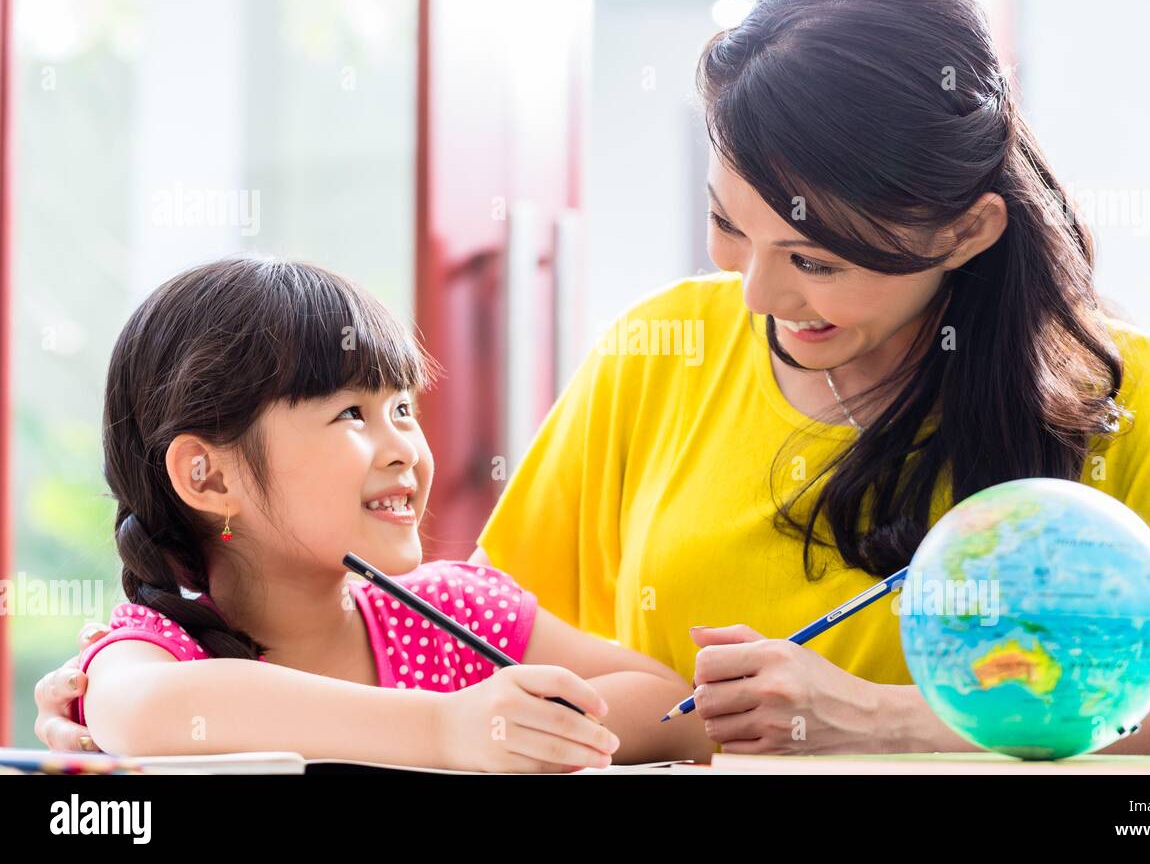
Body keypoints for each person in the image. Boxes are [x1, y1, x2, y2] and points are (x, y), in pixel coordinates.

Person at [37, 0, 1150, 760]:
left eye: (817, 258)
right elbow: (473, 653)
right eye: (729, 225)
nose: (754, 289)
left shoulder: (1106, 394)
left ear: (963, 231)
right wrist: (173, 694)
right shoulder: (659, 353)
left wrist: (904, 720)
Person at [31, 255, 712, 770]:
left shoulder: (452, 614)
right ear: (207, 477)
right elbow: (149, 711)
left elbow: (673, 706)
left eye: (404, 410)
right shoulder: (156, 649)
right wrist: (449, 730)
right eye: (351, 413)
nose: (403, 450)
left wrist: (542, 727)